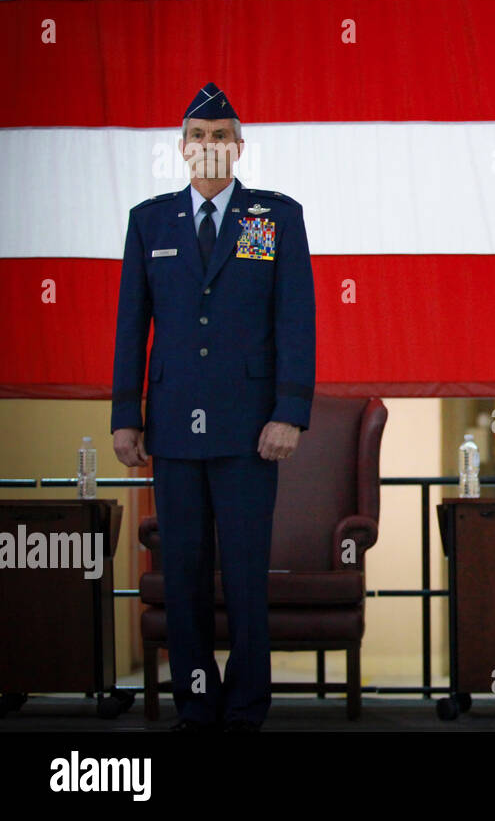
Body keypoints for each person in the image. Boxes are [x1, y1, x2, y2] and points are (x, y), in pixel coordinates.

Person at [111, 83, 316, 732]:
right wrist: (125, 414)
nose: (208, 147)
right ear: (181, 148)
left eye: (220, 136)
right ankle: (197, 700)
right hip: (172, 426)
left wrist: (290, 411)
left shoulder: (272, 217)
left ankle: (248, 704)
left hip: (250, 428)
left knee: (246, 574)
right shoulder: (150, 221)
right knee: (186, 576)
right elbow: (129, 325)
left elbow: (296, 319)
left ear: (238, 147)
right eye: (197, 137)